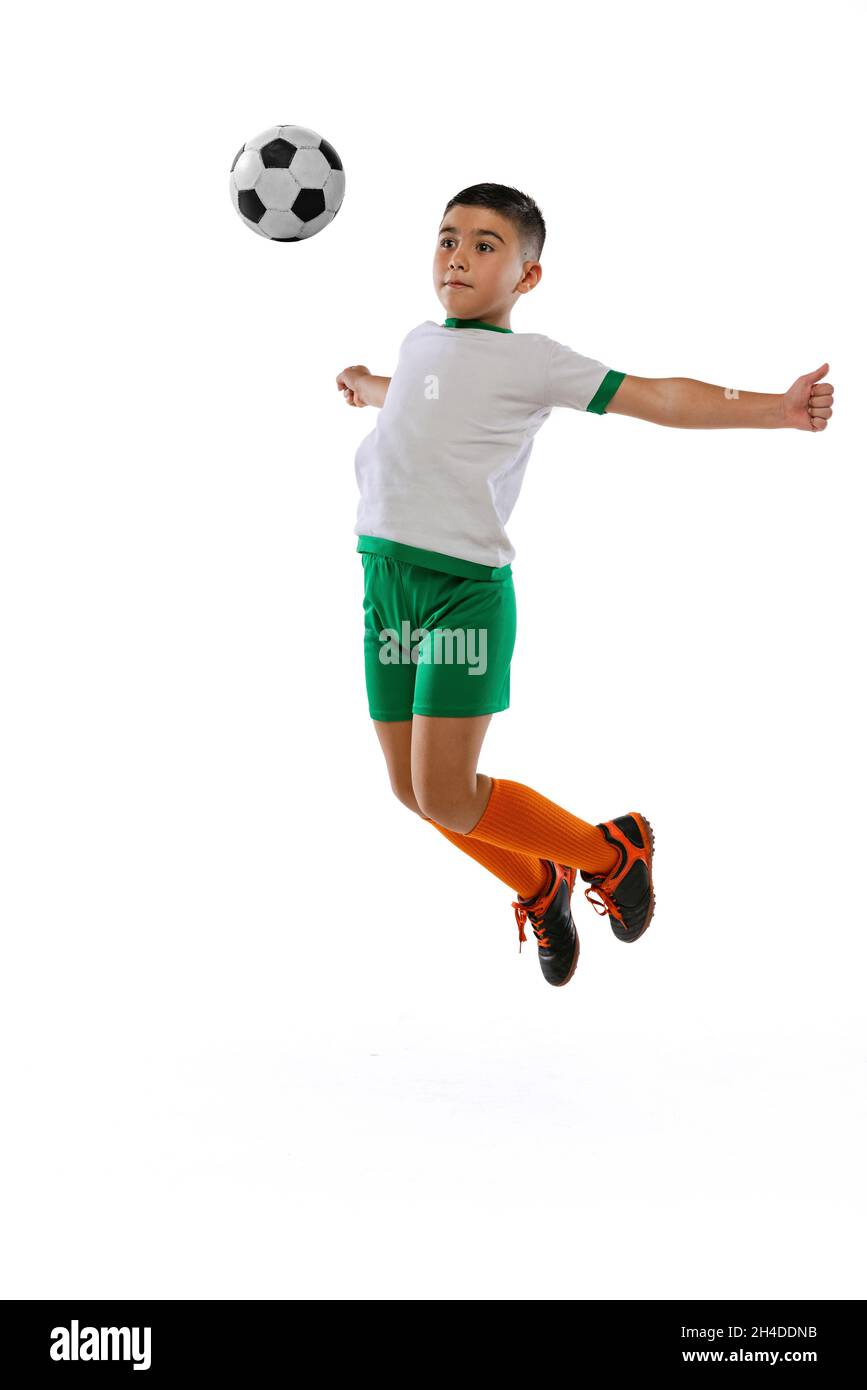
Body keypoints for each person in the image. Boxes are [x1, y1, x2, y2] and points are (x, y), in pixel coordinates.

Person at [336, 182, 834, 988]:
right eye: (447, 238)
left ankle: (612, 852)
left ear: (527, 277)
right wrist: (368, 386)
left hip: (459, 593)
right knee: (411, 792)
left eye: (485, 244)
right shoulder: (422, 343)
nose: (458, 254)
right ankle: (541, 884)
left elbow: (657, 395)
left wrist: (772, 409)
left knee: (451, 796)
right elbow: (421, 409)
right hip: (384, 583)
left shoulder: (532, 363)